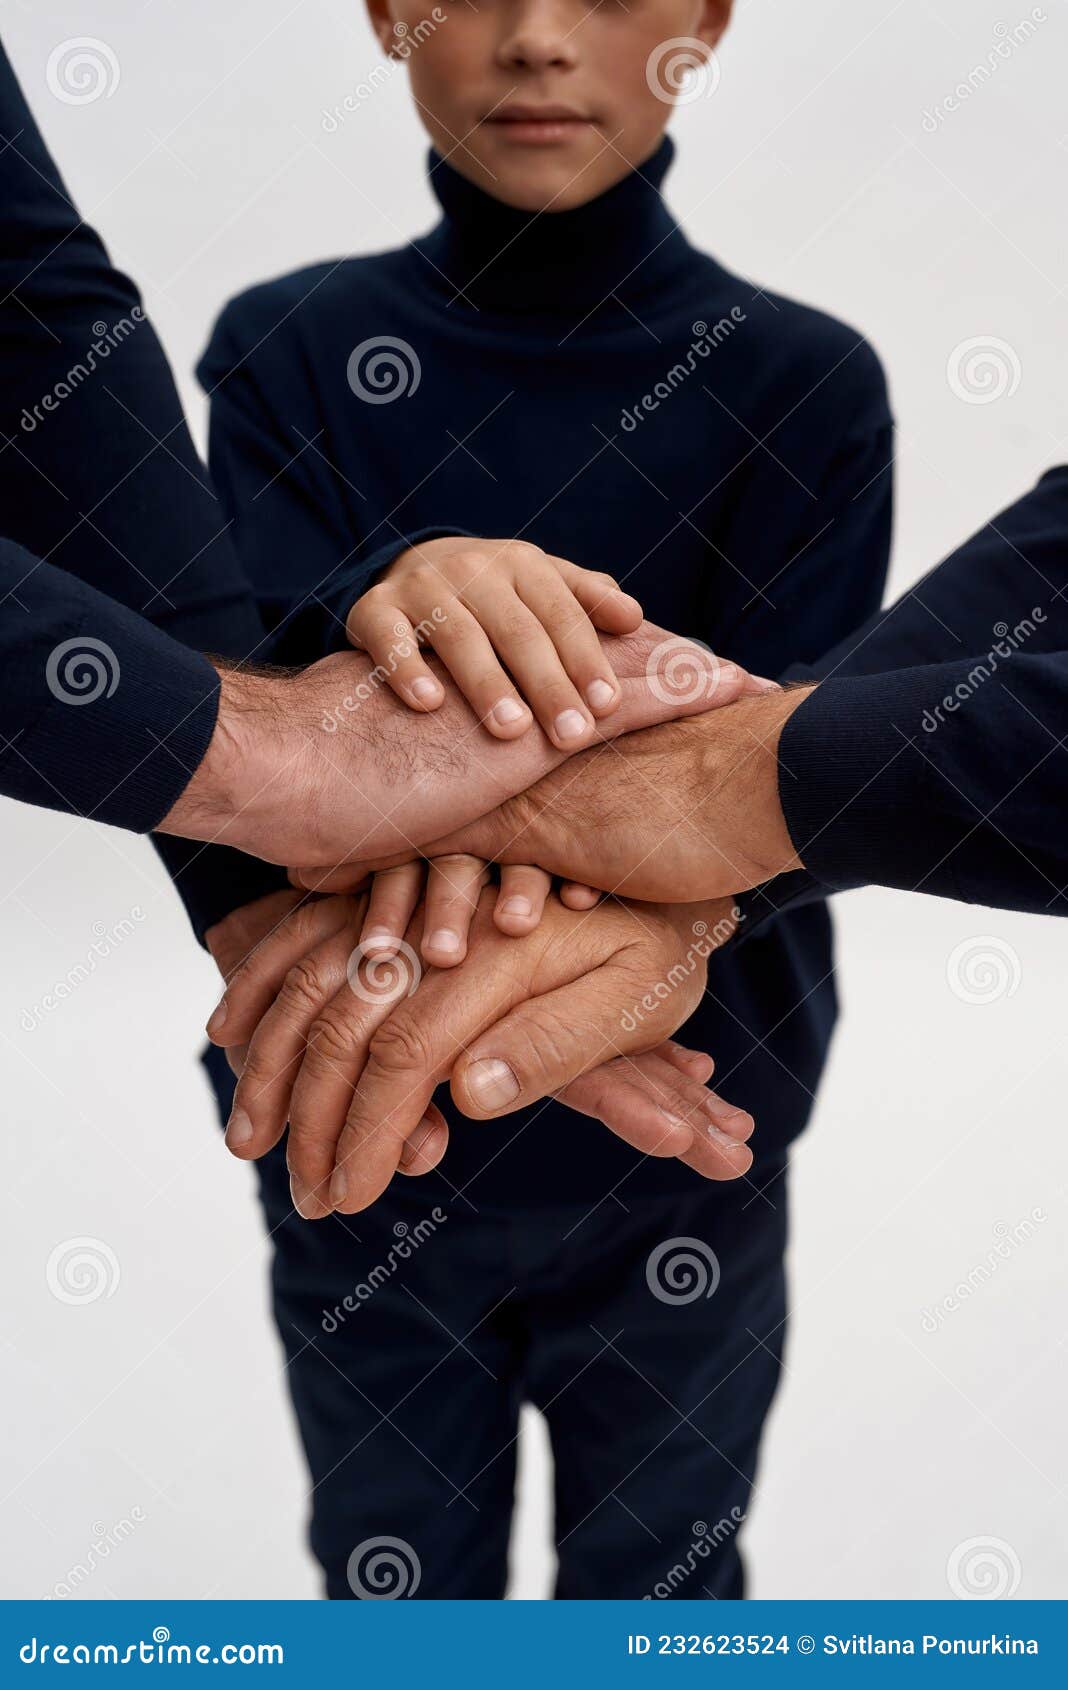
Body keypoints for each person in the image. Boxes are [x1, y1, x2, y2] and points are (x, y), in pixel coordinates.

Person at [194, 0, 893, 1599]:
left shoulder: (805, 383)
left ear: (708, 20)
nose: (534, 38)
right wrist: (391, 593)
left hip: (694, 1131)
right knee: (394, 1597)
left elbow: (799, 780)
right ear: (385, 14)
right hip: (358, 1115)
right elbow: (233, 754)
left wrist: (442, 792)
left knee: (660, 1598)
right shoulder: (283, 353)